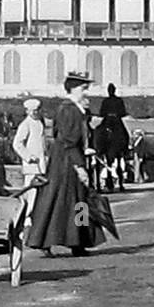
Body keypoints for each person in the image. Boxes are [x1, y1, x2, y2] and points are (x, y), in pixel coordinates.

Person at [27, 73, 105, 257]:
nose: (86, 93)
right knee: (64, 200)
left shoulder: (74, 109)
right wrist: (79, 167)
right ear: (73, 89)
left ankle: (77, 240)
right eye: (83, 89)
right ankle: (48, 240)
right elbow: (69, 140)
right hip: (66, 162)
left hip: (66, 159)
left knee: (75, 201)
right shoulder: (69, 109)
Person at [12, 99, 47, 220]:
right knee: (30, 196)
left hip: (41, 166)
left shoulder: (39, 123)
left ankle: (36, 220)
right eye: (32, 111)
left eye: (36, 110)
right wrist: (28, 156)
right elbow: (17, 144)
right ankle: (27, 220)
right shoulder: (25, 124)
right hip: (31, 167)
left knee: (39, 196)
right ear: (27, 111)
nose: (34, 113)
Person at [96, 82, 130, 191]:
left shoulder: (105, 101)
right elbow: (123, 112)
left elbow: (101, 113)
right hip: (116, 121)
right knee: (125, 135)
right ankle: (125, 150)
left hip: (107, 121)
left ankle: (99, 149)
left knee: (99, 132)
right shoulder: (119, 100)